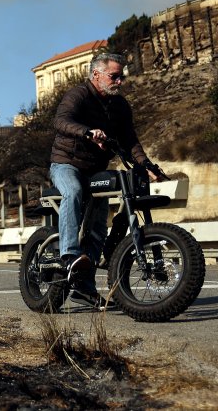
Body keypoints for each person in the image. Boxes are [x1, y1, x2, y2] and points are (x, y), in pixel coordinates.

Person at [50, 53, 163, 307]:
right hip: (65, 164)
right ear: (96, 75)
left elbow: (129, 139)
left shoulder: (119, 105)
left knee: (99, 226)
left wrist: (146, 165)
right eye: (114, 76)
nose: (119, 81)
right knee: (74, 192)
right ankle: (68, 255)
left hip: (96, 169)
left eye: (121, 76)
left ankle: (84, 288)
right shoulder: (77, 95)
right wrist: (87, 132)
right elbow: (60, 121)